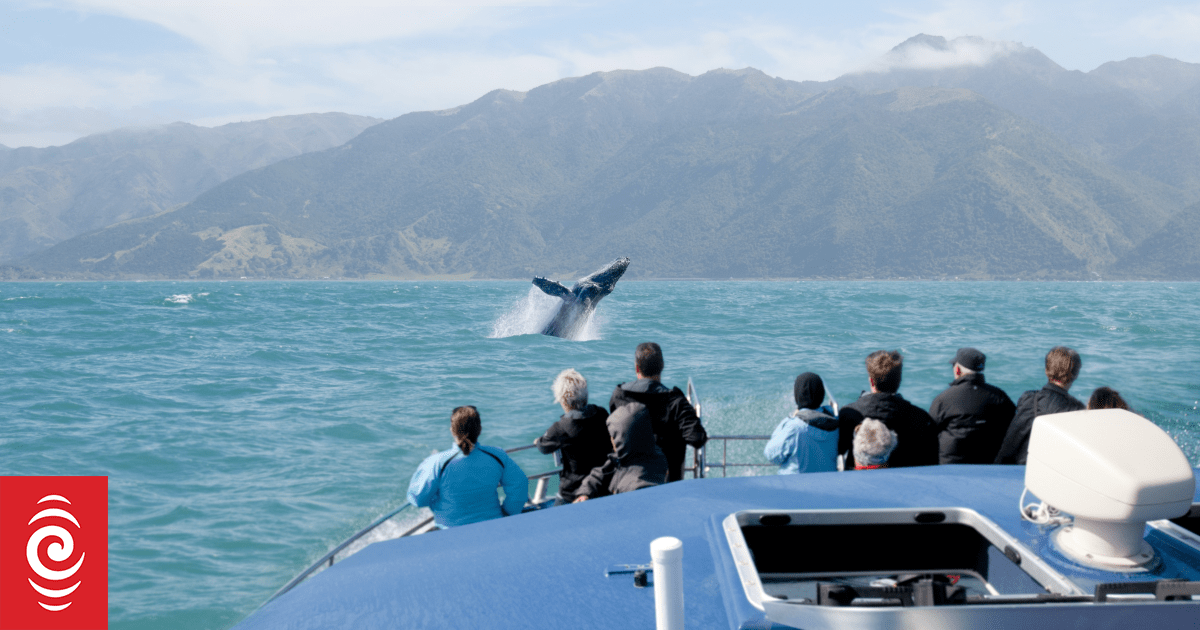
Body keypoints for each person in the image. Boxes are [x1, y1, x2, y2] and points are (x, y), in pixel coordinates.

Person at [407, 406, 529, 528]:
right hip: (493, 524)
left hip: (451, 530)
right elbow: (520, 484)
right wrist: (508, 512)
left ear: (452, 430)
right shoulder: (497, 455)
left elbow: (417, 499)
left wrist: (435, 501)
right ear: (480, 429)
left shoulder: (436, 462)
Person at [609, 342, 707, 482]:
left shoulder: (619, 396)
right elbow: (697, 438)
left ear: (637, 368)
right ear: (662, 366)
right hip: (667, 485)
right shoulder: (675, 401)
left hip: (627, 483)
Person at [837, 350, 937, 469]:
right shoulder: (920, 417)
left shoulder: (849, 413)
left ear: (871, 381)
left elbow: (839, 449)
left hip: (859, 477)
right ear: (899, 381)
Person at [994, 347, 1085, 465]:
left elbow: (1012, 439)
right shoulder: (1077, 410)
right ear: (1076, 374)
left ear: (1047, 369)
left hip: (1018, 466)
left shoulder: (1028, 398)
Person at [534, 369, 613, 504]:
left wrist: (538, 441)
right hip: (602, 485)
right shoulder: (601, 413)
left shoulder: (560, 428)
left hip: (573, 492)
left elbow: (543, 447)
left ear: (562, 400)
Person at [928, 348, 1016, 464]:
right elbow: (1014, 428)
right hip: (989, 463)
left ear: (958, 370)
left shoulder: (943, 399)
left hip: (950, 466)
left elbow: (928, 432)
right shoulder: (1000, 397)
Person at [573, 401, 669, 501]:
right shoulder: (640, 450)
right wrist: (585, 492)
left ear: (624, 438)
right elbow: (603, 471)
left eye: (614, 435)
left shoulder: (639, 486)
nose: (611, 439)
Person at [764, 372, 839, 474]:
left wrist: (790, 418)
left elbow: (771, 456)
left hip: (796, 486)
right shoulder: (835, 421)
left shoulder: (794, 427)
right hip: (827, 483)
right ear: (821, 394)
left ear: (797, 396)